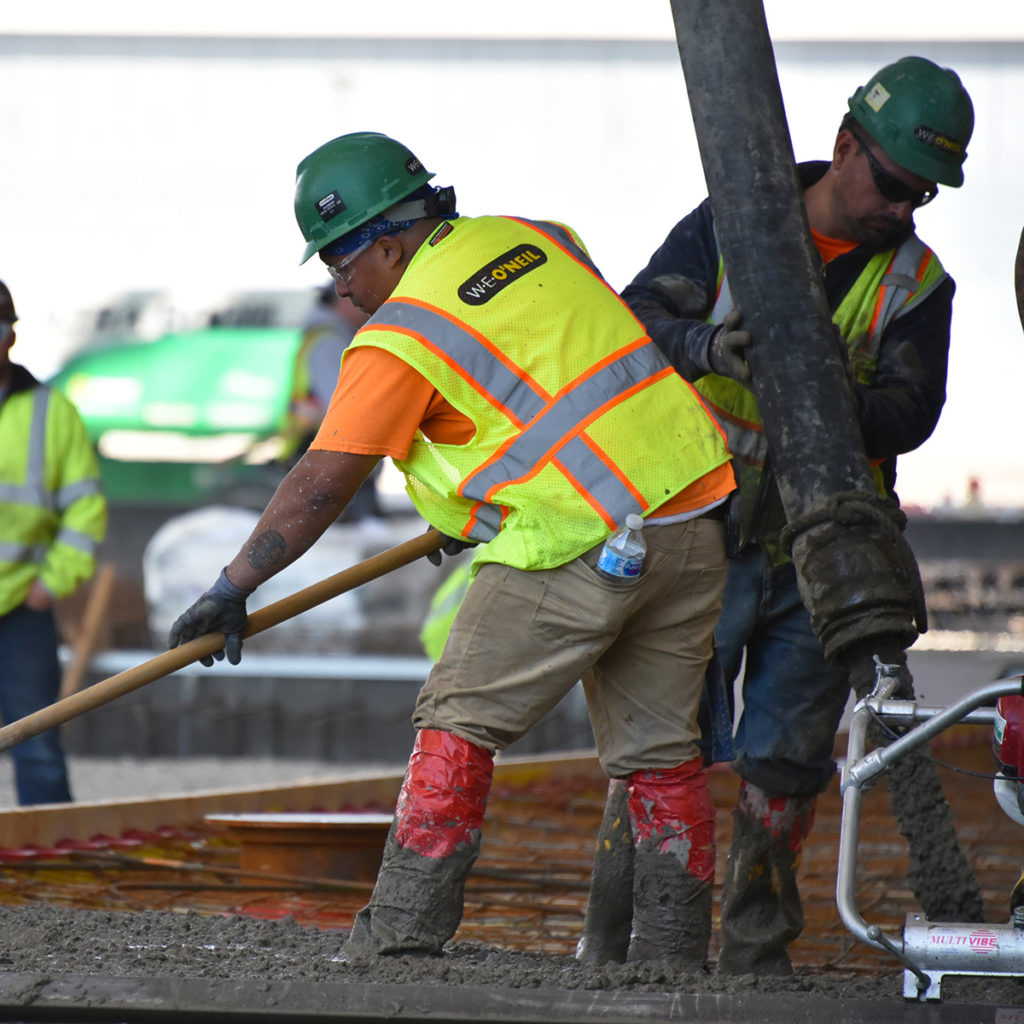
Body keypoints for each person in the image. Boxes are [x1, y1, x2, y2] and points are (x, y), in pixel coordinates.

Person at [168, 130, 736, 967]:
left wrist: (233, 582)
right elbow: (545, 375)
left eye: (339, 263)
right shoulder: (539, 238)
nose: (340, 287)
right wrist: (470, 505)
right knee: (660, 756)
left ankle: (399, 936)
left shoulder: (403, 333)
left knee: (458, 721)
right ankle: (676, 958)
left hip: (579, 541)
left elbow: (323, 481)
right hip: (692, 518)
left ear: (388, 244)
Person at [607, 56, 974, 975]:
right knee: (660, 750)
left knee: (784, 765)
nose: (904, 209)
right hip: (698, 529)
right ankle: (626, 948)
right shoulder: (736, 222)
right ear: (846, 145)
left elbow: (912, 414)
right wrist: (703, 345)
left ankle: (756, 958)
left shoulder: (917, 282)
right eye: (893, 184)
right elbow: (635, 318)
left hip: (819, 554)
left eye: (921, 194)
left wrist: (817, 390)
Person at [0, 278, 107, 805]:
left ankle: (48, 861)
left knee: (37, 739)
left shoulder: (51, 413)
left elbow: (84, 511)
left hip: (22, 605)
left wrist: (49, 584)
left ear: (12, 335)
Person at [282, 284, 382, 521]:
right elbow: (345, 408)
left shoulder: (324, 335)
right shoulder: (330, 340)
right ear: (339, 301)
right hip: (330, 457)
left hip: (317, 451)